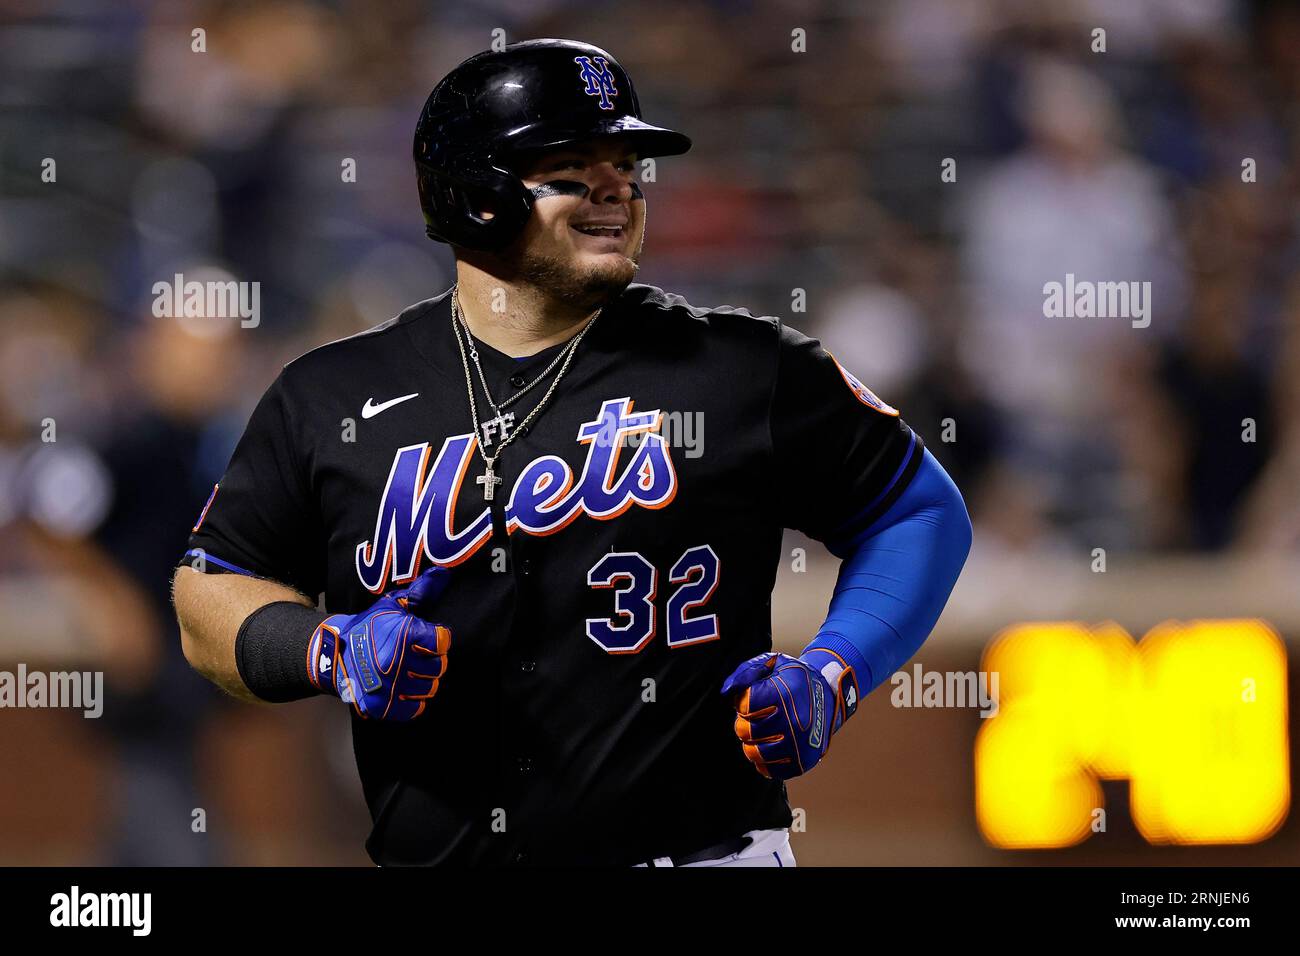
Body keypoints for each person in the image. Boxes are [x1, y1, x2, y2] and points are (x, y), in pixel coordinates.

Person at [172, 38, 972, 867]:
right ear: (476, 194)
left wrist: (835, 671)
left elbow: (919, 513)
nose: (616, 188)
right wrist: (326, 649)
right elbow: (210, 591)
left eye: (625, 165)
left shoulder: (746, 368)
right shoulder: (333, 394)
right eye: (572, 168)